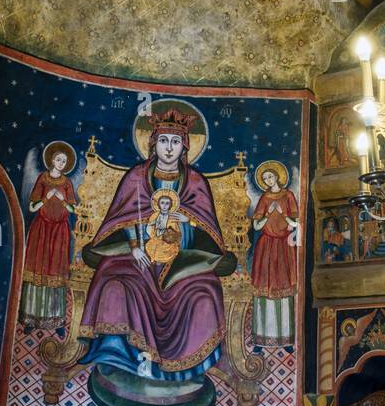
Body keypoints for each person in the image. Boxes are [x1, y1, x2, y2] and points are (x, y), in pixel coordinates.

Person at [77, 106, 236, 386]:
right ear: (153, 143)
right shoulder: (136, 178)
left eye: (175, 142)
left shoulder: (195, 182)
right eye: (163, 141)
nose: (169, 148)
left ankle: (186, 370)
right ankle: (118, 360)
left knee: (205, 293)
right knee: (113, 284)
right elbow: (121, 218)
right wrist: (135, 247)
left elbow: (207, 228)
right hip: (137, 257)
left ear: (185, 146)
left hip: (182, 260)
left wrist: (187, 219)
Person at [22, 142, 79, 331]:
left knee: (56, 273)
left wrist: (63, 200)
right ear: (51, 160)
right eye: (58, 159)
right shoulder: (42, 179)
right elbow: (32, 207)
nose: (61, 163)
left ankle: (56, 320)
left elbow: (73, 209)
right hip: (42, 230)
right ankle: (31, 318)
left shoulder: (67, 183)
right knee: (38, 270)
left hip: (60, 232)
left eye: (64, 161)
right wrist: (47, 197)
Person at [248, 161, 299, 348]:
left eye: (270, 176)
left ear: (277, 176)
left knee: (284, 289)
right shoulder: (264, 198)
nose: (268, 180)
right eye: (264, 179)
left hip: (284, 247)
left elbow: (296, 224)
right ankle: (260, 339)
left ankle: (287, 339)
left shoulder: (288, 196)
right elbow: (256, 226)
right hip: (266, 247)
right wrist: (268, 214)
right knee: (264, 290)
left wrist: (282, 214)